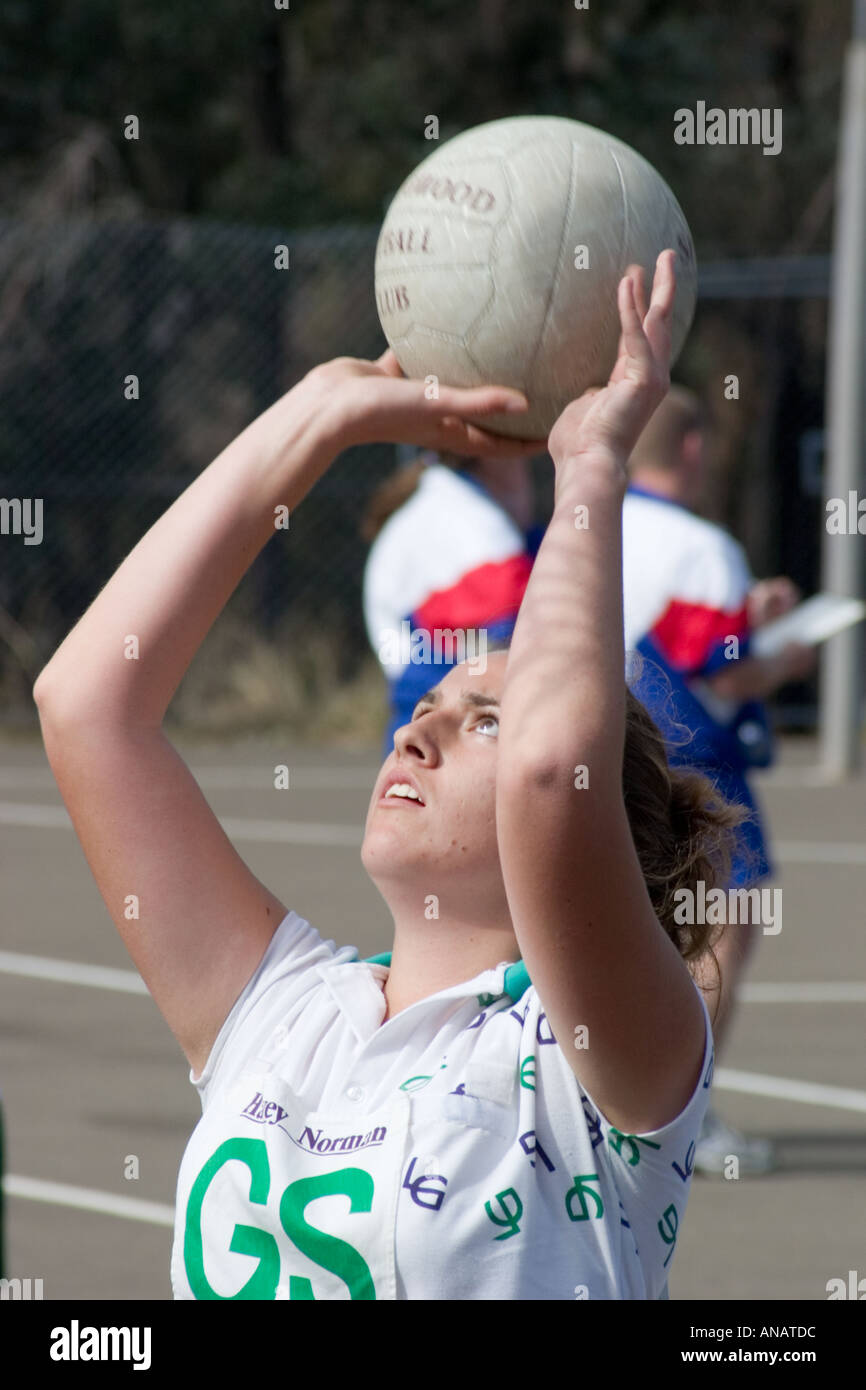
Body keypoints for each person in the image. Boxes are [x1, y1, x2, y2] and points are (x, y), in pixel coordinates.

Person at [35, 252, 739, 1300]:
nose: (416, 736)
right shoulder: (284, 1011)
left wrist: (589, 461)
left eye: (480, 719)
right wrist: (316, 416)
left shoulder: (594, 1061)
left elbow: (552, 772)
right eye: (422, 710)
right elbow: (89, 705)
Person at [622, 387, 816, 1175]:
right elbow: (724, 676)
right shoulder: (701, 545)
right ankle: (680, 1113)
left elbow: (689, 638)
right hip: (693, 759)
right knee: (722, 929)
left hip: (606, 746)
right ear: (694, 449)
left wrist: (748, 619)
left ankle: (613, 1098)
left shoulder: (585, 526)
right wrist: (787, 656)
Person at [361, 448, 543, 752]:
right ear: (495, 454)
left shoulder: (440, 505)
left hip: (425, 730)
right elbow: (520, 651)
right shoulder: (472, 527)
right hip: (453, 742)